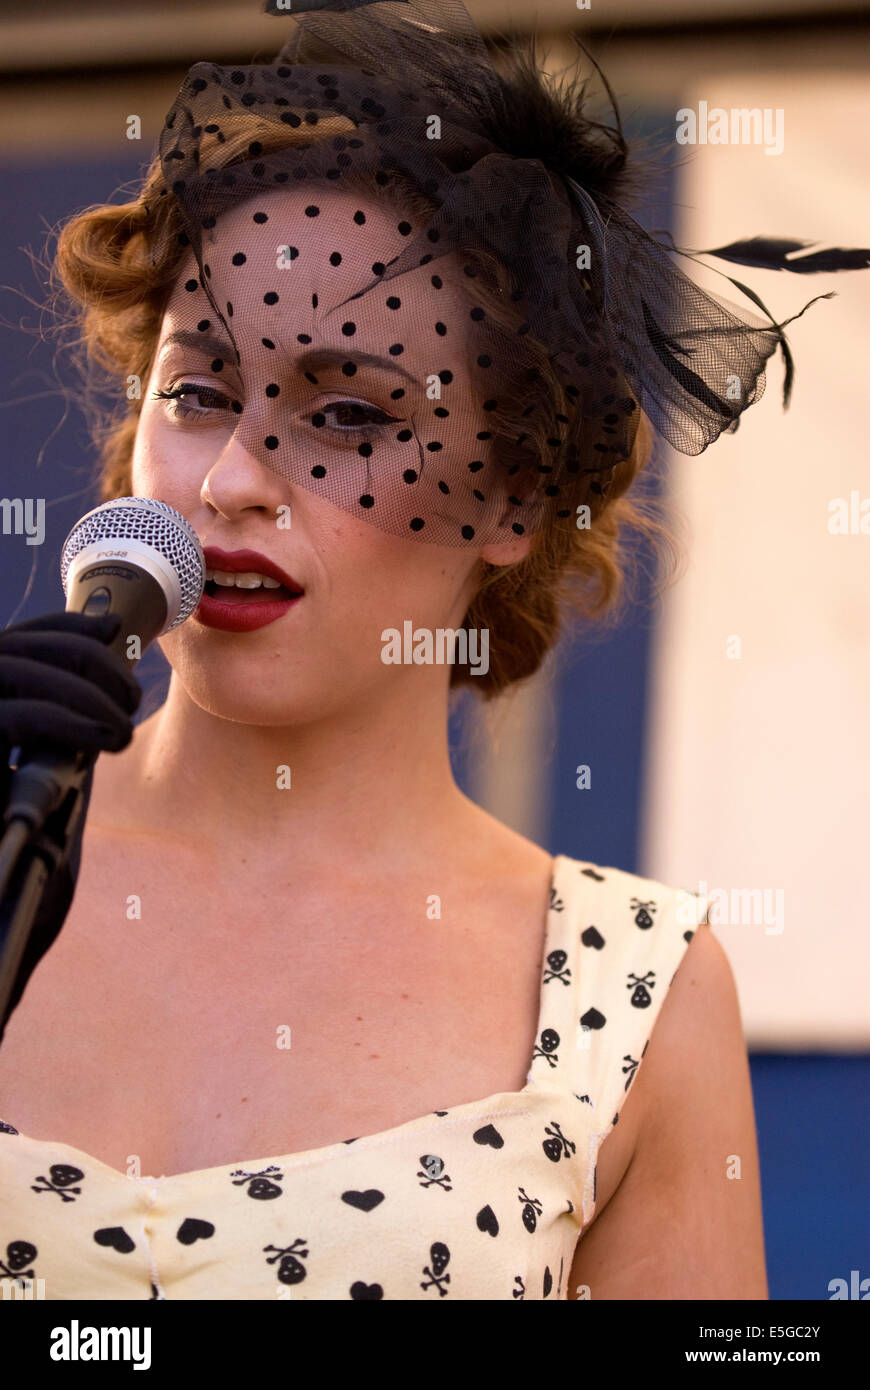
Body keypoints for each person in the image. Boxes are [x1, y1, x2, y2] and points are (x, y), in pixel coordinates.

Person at [3, 0, 863, 1301]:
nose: (234, 478)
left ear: (513, 497)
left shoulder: (633, 990)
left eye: (347, 412)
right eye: (197, 390)